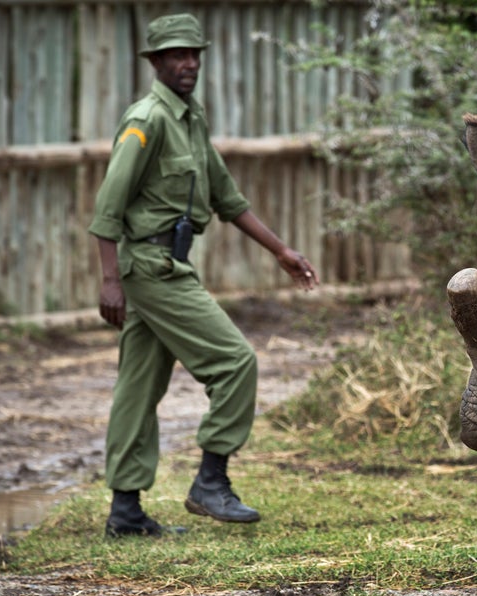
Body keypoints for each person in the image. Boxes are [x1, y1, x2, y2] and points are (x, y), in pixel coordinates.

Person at [88, 13, 320, 537]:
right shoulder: (146, 120)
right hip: (150, 268)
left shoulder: (190, 119)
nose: (188, 63)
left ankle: (125, 513)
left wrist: (281, 250)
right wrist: (110, 279)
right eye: (177, 54)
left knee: (138, 386)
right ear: (155, 62)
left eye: (194, 53)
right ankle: (210, 482)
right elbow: (107, 208)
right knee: (235, 362)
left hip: (169, 262)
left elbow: (226, 198)